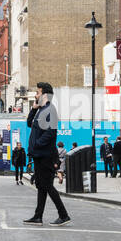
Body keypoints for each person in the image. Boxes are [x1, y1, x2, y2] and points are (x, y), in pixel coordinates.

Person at [23, 82, 70, 225]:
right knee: (41, 186)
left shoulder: (50, 110)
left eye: (37, 93)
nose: (35, 95)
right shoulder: (41, 110)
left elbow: (51, 133)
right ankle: (38, 216)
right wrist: (33, 108)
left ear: (44, 95)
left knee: (47, 185)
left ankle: (63, 215)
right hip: (39, 155)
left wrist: (37, 144)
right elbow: (29, 123)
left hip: (45, 155)